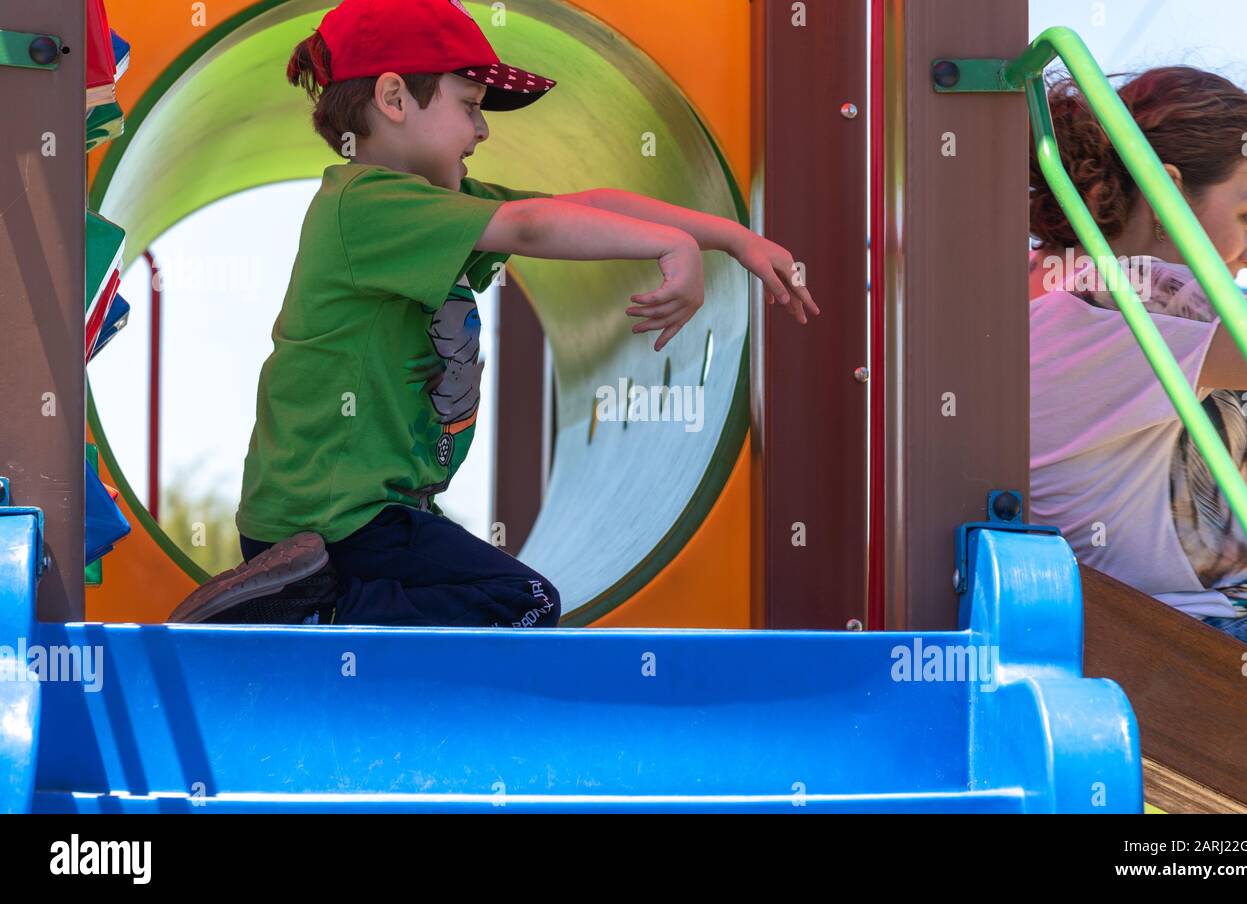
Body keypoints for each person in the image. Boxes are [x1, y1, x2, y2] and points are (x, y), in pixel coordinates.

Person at [168, 0, 818, 628]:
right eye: (471, 108)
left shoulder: (434, 205)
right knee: (524, 600)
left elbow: (591, 202)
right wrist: (673, 246)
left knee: (500, 596)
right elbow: (532, 228)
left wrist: (733, 238)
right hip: (334, 522)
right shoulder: (368, 205)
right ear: (394, 100)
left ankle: (323, 608)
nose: (483, 131)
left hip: (356, 520)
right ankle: (314, 612)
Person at [1027, 65, 1247, 666]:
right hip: (1224, 636)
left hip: (1186, 624)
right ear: (1165, 195)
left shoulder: (1060, 284)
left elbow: (1221, 203)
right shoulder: (1137, 298)